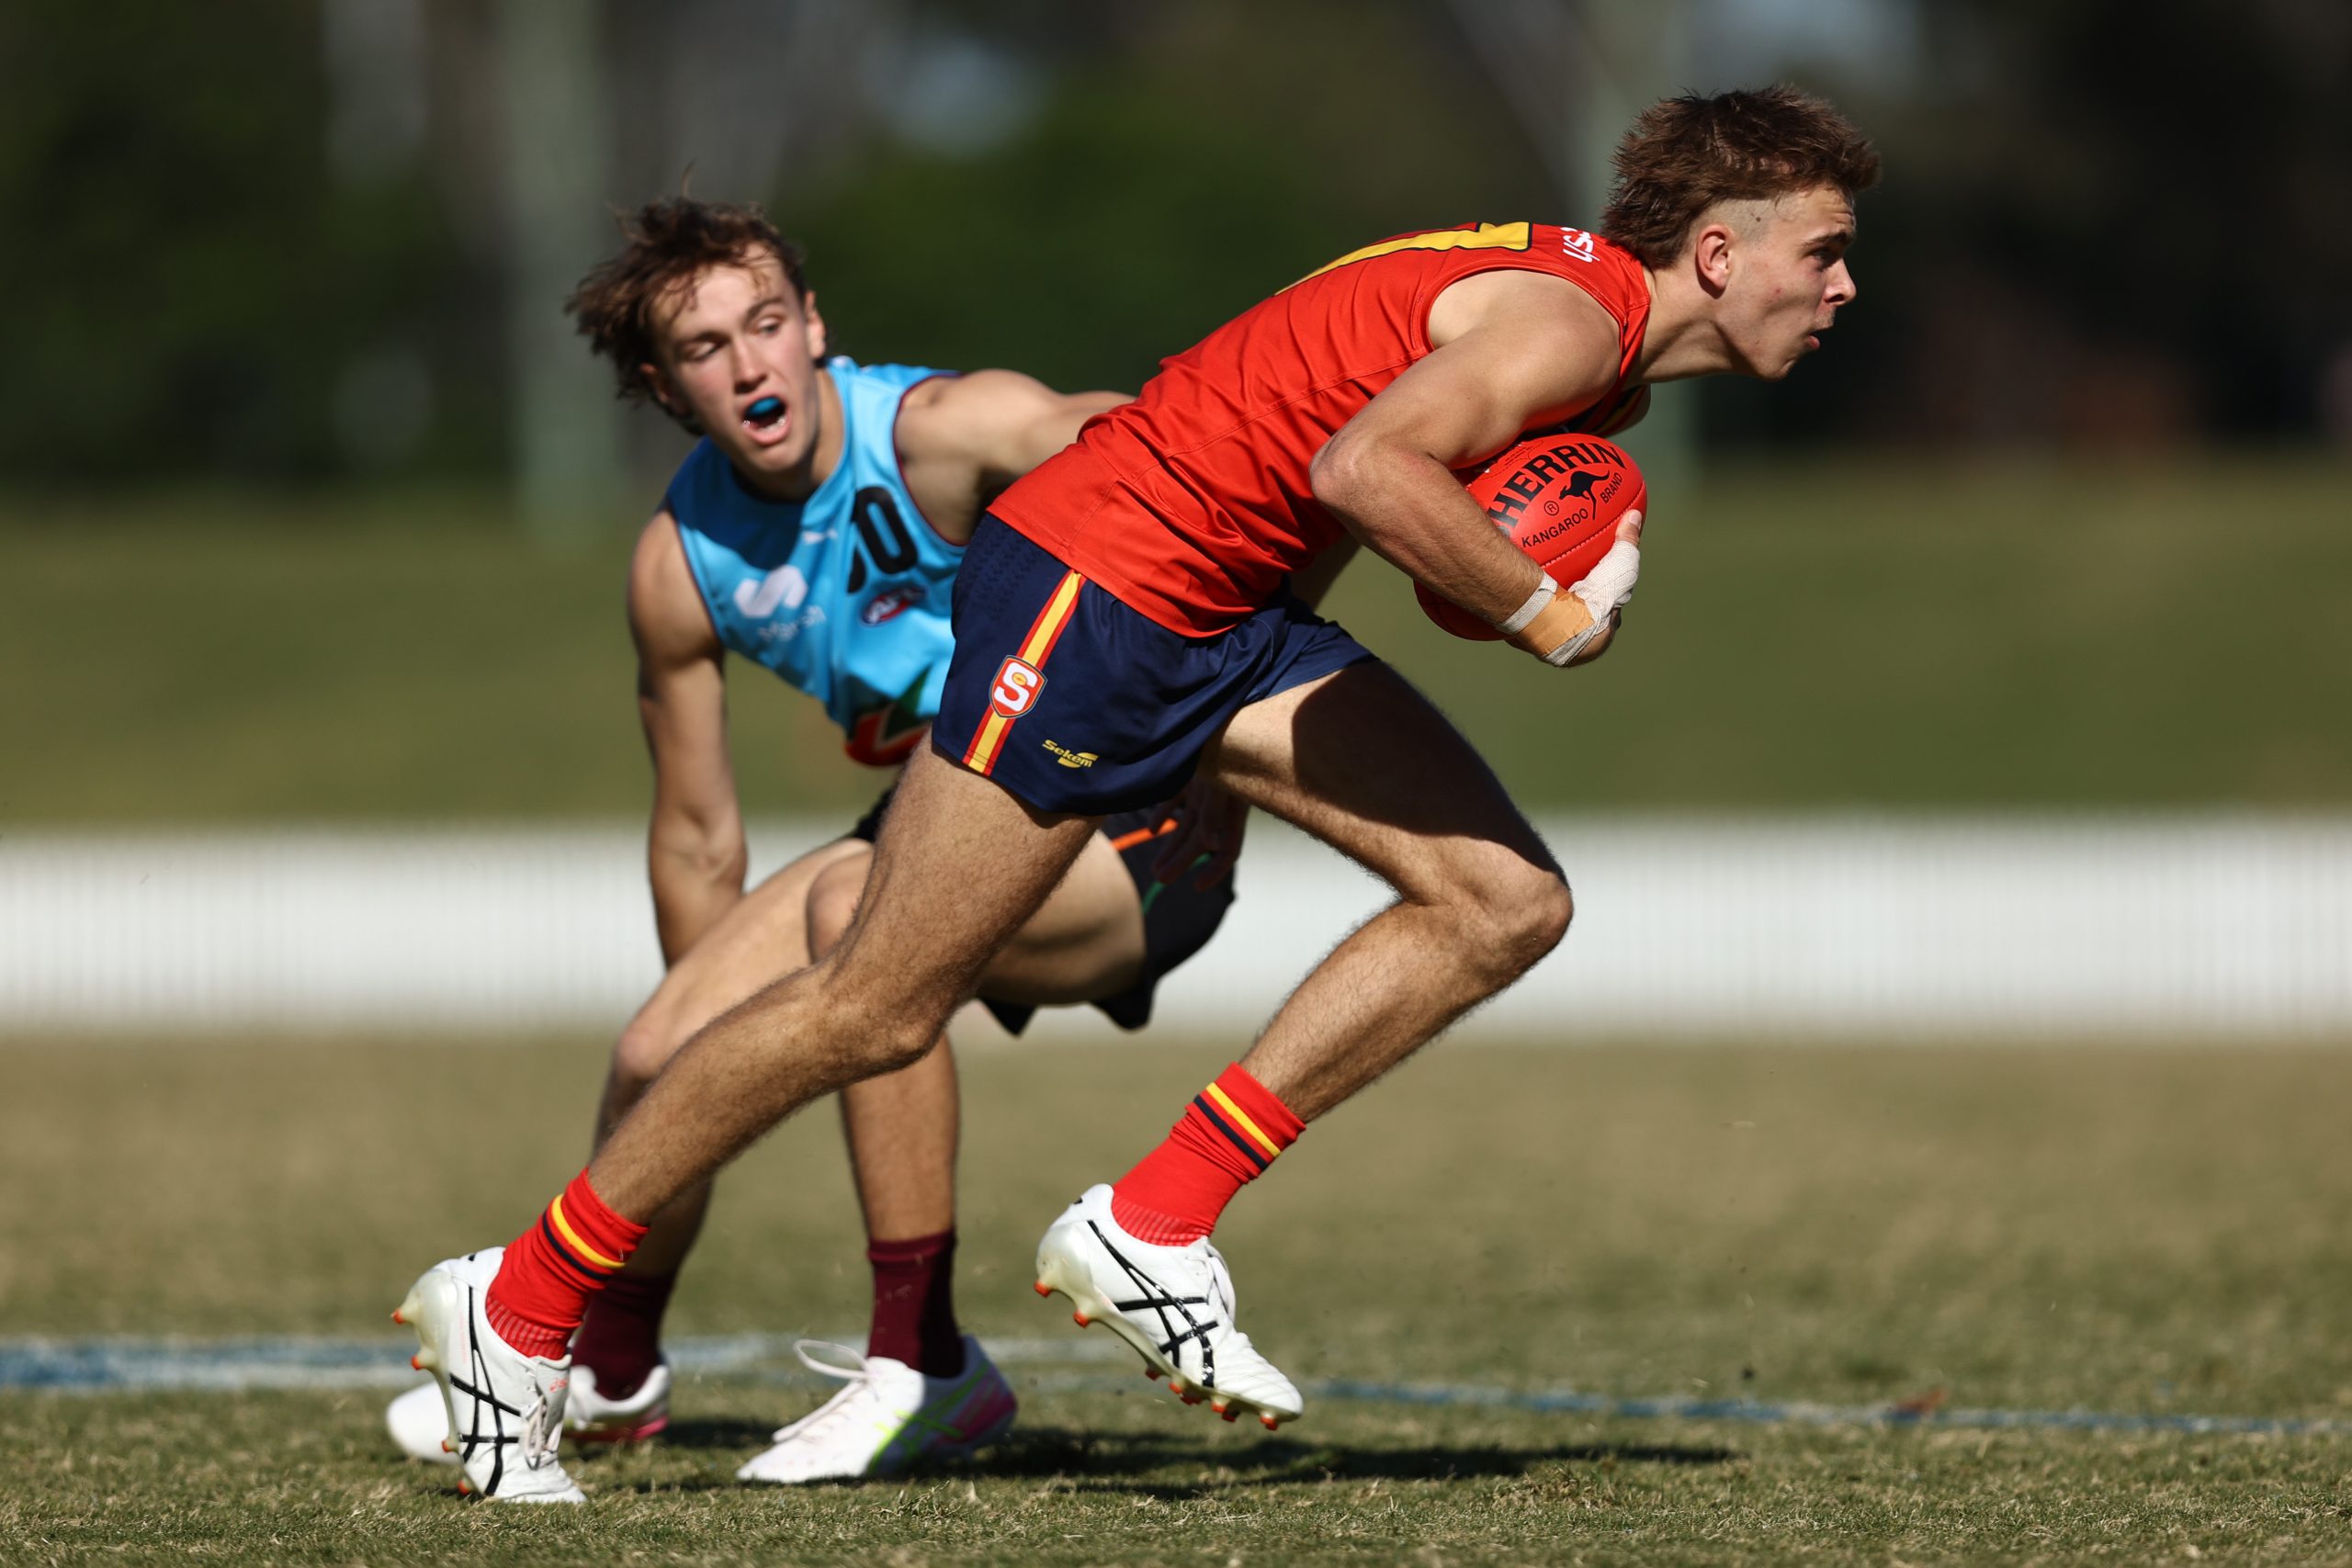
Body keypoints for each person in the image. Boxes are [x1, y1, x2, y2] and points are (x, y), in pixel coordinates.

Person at [396, 86, 1878, 1502]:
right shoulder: (1573, 323)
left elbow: (1318, 455)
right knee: (876, 1004)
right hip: (1104, 596)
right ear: (1716, 252)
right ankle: (517, 1308)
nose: (1841, 288)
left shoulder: (1574, 323)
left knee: (1505, 899)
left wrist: (1258, 716)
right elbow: (1370, 468)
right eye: (1822, 252)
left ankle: (1153, 1220)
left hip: (1222, 624)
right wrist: (1547, 613)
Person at [384, 197, 1324, 1494]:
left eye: (768, 321)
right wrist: (742, 1041)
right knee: (663, 1052)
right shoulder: (682, 561)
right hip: (931, 831)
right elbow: (699, 835)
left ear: (814, 324)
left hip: (1132, 823)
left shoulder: (936, 435)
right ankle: (600, 1374)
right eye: (708, 348)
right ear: (665, 389)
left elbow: (1140, 442)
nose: (751, 362)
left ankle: (924, 1360)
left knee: (856, 919)